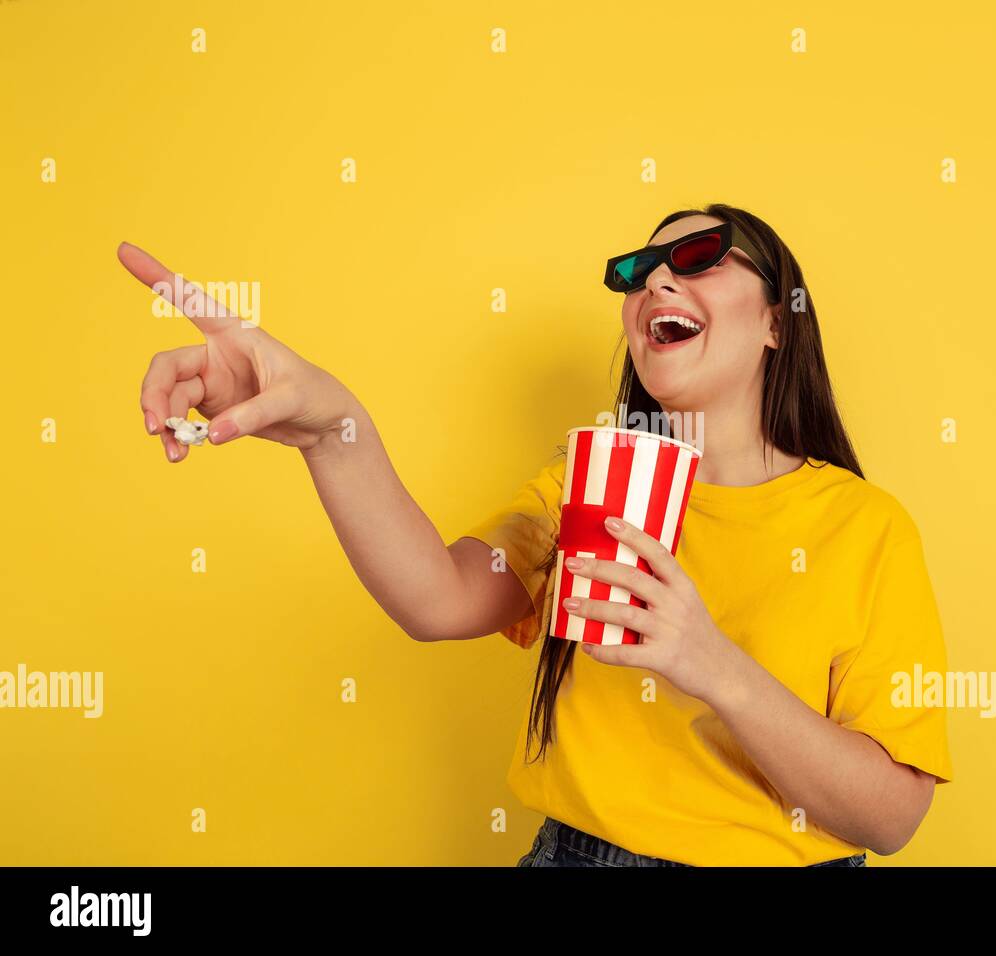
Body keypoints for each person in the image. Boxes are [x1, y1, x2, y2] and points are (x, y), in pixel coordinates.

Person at [119, 202, 953, 868]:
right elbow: (436, 598)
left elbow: (890, 820)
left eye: (698, 256)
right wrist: (331, 428)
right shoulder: (583, 491)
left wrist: (711, 664)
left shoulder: (865, 528)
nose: (656, 281)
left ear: (779, 320)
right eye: (635, 274)